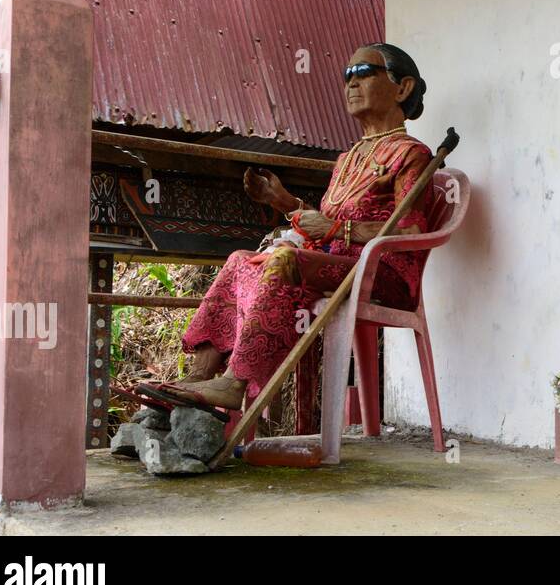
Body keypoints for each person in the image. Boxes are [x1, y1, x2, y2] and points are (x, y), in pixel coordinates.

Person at [155, 44, 433, 411]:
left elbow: (410, 235)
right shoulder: (348, 158)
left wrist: (339, 231)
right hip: (334, 263)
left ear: (402, 87)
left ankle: (235, 383)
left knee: (285, 261)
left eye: (363, 72)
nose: (351, 83)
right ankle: (200, 375)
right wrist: (283, 202)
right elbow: (326, 223)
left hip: (381, 273)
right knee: (241, 259)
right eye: (346, 76)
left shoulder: (412, 154)